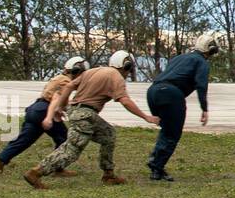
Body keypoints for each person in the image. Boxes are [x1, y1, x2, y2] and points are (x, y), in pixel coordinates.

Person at [23, 50, 159, 190]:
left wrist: (60, 107)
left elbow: (69, 86)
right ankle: (36, 172)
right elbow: (125, 101)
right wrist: (146, 117)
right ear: (126, 66)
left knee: (108, 135)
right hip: (85, 115)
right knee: (71, 150)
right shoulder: (116, 77)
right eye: (129, 70)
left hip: (78, 112)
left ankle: (108, 174)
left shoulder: (92, 71)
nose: (128, 73)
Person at [0, 56, 89, 174]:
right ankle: (57, 168)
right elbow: (56, 99)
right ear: (77, 71)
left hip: (35, 109)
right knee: (64, 139)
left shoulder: (58, 78)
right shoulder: (66, 81)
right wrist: (49, 117)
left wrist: (61, 109)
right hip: (45, 110)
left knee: (24, 140)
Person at [145, 30, 221, 181]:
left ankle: (156, 163)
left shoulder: (180, 57)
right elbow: (201, 85)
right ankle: (157, 166)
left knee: (167, 129)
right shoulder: (201, 62)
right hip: (172, 95)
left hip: (153, 91)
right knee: (173, 133)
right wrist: (204, 109)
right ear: (210, 50)